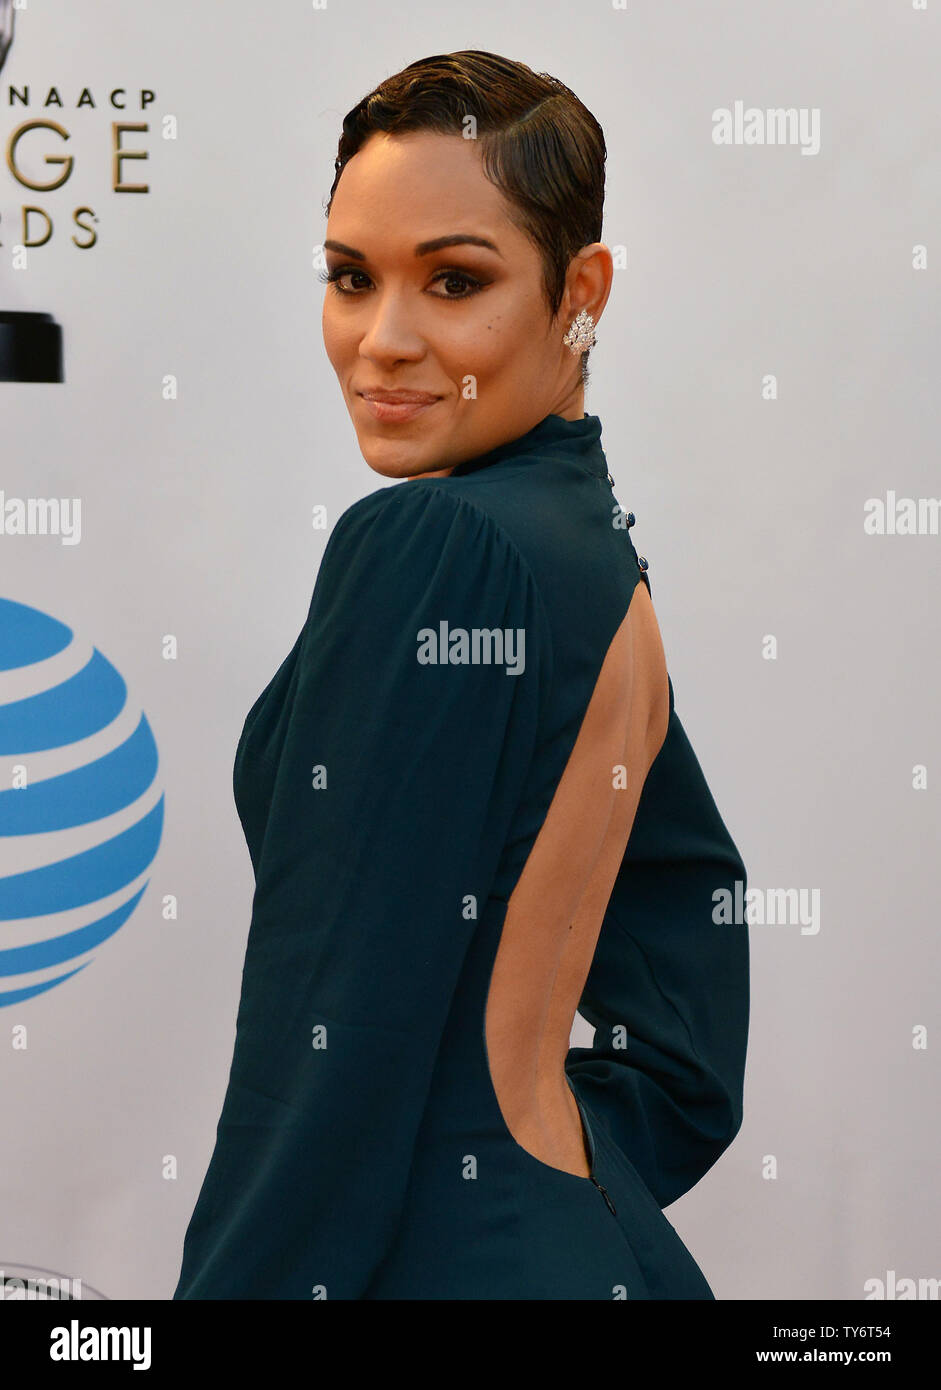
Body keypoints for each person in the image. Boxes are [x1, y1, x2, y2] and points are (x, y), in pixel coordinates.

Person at [173, 49, 749, 1300]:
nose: (382, 342)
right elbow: (688, 1029)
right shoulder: (596, 555)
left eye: (452, 280)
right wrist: (545, 1168)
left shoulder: (433, 548)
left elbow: (324, 1060)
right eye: (348, 278)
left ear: (577, 291)